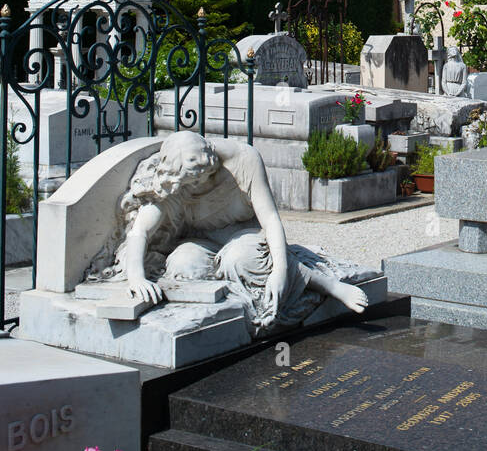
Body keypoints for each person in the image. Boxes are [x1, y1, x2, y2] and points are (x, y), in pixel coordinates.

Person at [93, 131, 369, 333]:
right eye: (193, 180)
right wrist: (136, 277)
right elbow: (140, 230)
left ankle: (329, 285)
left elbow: (271, 218)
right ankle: (230, 307)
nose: (200, 183)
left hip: (241, 234)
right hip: (199, 241)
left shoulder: (243, 159)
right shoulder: (174, 179)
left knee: (244, 260)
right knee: (182, 265)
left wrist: (280, 271)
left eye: (204, 175)